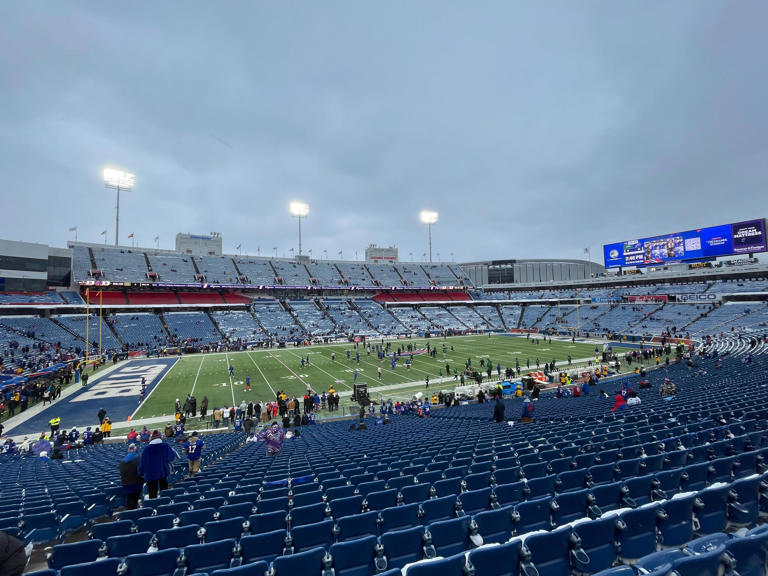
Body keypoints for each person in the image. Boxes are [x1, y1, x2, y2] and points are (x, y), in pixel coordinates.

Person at [138, 430, 178, 498]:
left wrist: (140, 473)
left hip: (150, 474)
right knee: (164, 492)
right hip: (163, 472)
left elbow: (142, 463)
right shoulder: (165, 446)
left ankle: (154, 506)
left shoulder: (146, 449)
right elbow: (172, 457)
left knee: (152, 493)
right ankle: (164, 504)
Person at [119, 444, 144, 510]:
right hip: (137, 483)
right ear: (135, 449)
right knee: (134, 499)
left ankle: (130, 512)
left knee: (130, 498)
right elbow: (141, 471)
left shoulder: (122, 461)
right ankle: (133, 513)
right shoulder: (139, 458)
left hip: (126, 484)